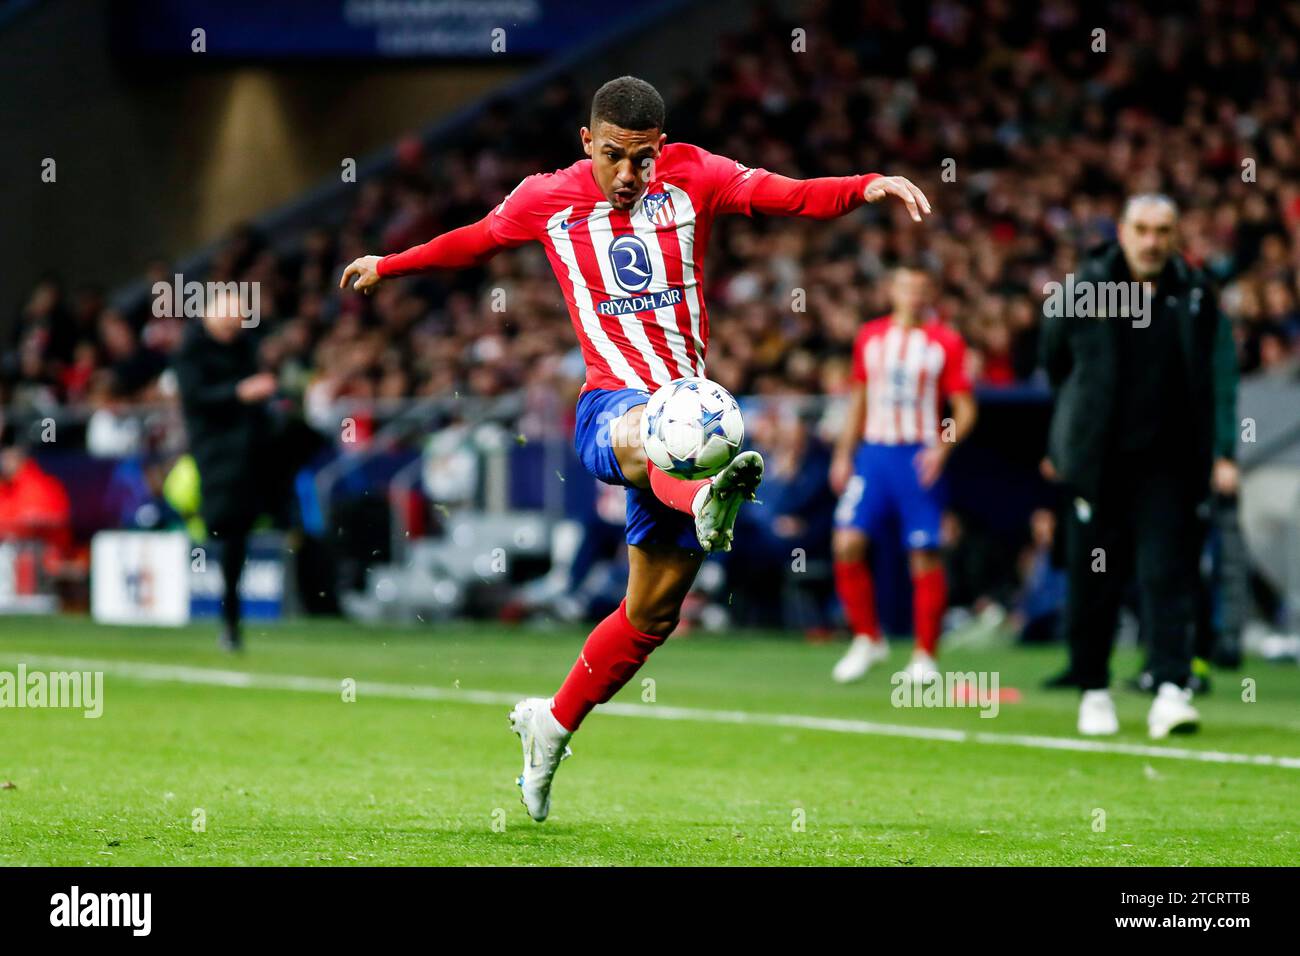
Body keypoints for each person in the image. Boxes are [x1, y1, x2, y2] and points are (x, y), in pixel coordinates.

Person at [341, 75, 931, 821]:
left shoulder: (694, 174)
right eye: (617, 156)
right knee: (652, 425)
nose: (631, 174)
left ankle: (549, 726)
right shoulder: (545, 199)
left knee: (650, 616)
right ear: (587, 142)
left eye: (644, 158)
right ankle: (709, 493)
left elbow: (786, 193)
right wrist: (389, 265)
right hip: (610, 410)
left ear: (662, 147)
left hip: (686, 420)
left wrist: (867, 183)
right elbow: (476, 241)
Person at [1040, 194, 1239, 739]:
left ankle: (1171, 688)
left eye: (1163, 230)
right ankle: (1094, 689)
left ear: (1176, 235)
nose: (1152, 241)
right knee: (1094, 580)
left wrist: (1219, 450)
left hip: (1170, 465)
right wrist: (1067, 443)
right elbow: (1055, 364)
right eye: (1143, 229)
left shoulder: (1196, 293)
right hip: (1098, 464)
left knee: (1168, 574)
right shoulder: (1083, 291)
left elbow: (1212, 376)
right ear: (1123, 232)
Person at [828, 265, 977, 684]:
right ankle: (867, 638)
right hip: (874, 455)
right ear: (891, 290)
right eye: (906, 287)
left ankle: (925, 654)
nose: (913, 295)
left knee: (924, 554)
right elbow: (858, 399)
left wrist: (942, 447)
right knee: (846, 542)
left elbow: (964, 409)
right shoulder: (870, 337)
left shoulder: (944, 341)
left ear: (929, 294)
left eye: (921, 288)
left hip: (916, 457)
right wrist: (844, 454)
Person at [173, 290, 278, 652]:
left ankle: (232, 621)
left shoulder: (246, 345)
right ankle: (229, 620)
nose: (236, 324)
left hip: (252, 451)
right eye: (230, 316)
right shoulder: (191, 350)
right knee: (227, 530)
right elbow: (196, 397)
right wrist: (240, 392)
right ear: (212, 314)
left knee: (240, 530)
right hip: (217, 454)